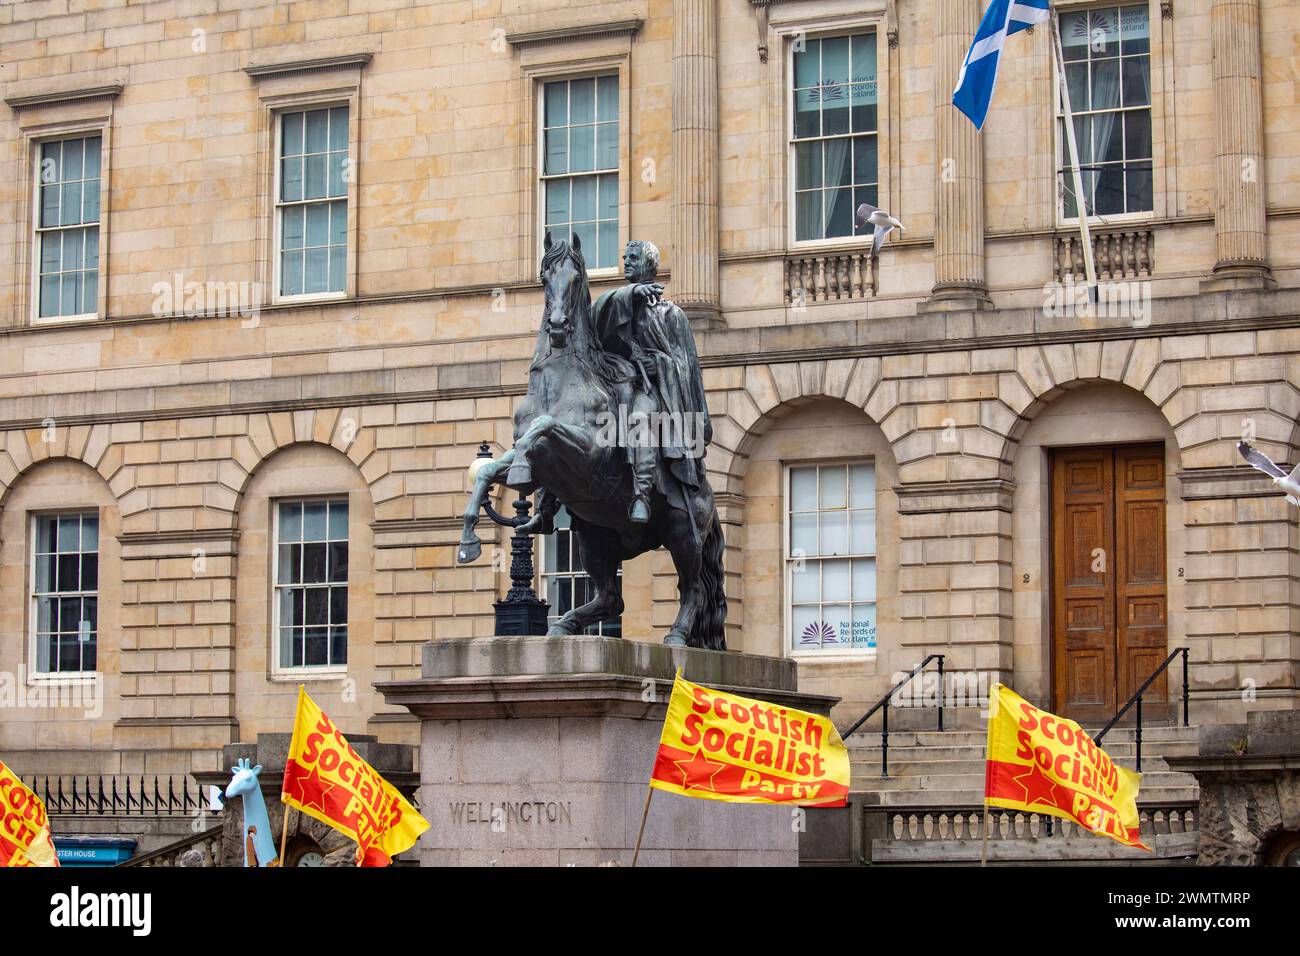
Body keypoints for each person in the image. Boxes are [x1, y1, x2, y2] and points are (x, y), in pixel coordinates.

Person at [591, 240, 712, 527]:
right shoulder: (618, 305)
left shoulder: (671, 315)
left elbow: (686, 367)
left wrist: (657, 364)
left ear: (649, 264)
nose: (627, 261)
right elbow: (593, 318)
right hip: (614, 384)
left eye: (633, 257)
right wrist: (630, 292)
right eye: (625, 257)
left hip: (650, 390)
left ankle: (642, 493)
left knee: (639, 417)